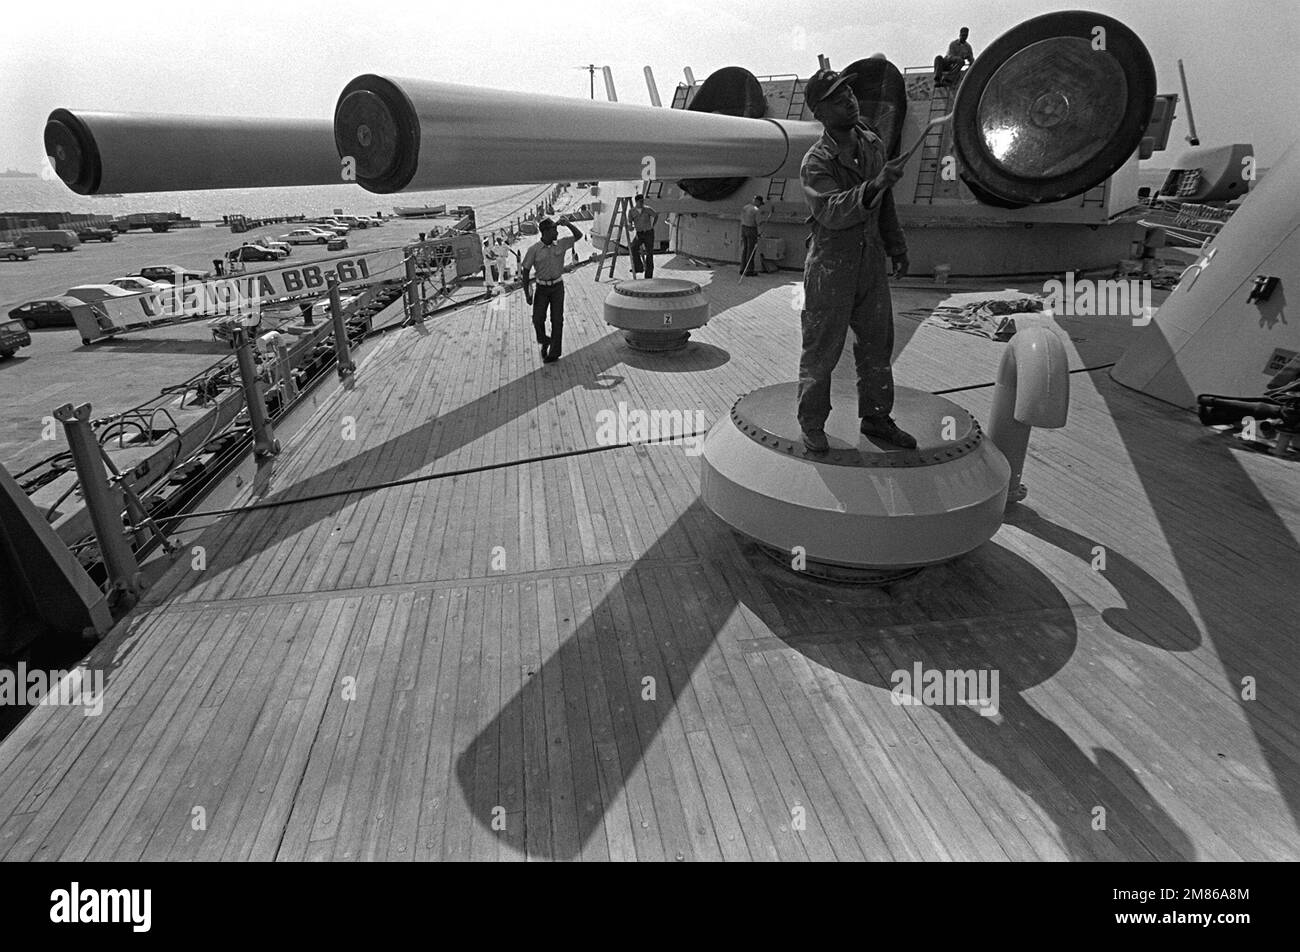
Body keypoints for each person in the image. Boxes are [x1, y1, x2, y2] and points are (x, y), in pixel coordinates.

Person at [797, 67, 915, 452]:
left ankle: (877, 418)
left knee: (878, 345)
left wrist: (896, 246)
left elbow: (884, 204)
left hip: (870, 262)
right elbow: (831, 211)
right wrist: (876, 184)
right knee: (822, 349)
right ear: (819, 112)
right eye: (835, 97)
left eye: (847, 90)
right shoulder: (815, 162)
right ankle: (812, 422)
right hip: (831, 268)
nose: (848, 98)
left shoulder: (872, 143)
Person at [521, 216, 582, 363]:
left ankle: (554, 353)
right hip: (541, 288)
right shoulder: (534, 250)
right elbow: (525, 271)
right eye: (554, 229)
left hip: (557, 288)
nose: (557, 232)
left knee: (557, 320)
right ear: (545, 232)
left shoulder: (561, 244)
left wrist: (567, 224)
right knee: (537, 319)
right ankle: (544, 340)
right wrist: (527, 293)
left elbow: (578, 236)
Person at [627, 194, 659, 278]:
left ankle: (648, 275)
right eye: (640, 201)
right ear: (636, 201)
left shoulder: (647, 209)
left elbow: (656, 215)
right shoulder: (632, 211)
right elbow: (630, 221)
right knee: (633, 247)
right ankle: (639, 267)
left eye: (643, 201)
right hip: (639, 234)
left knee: (649, 253)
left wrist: (653, 225)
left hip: (649, 233)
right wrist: (630, 226)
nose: (642, 203)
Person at [739, 195, 770, 275]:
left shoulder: (745, 207)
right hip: (751, 229)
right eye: (760, 203)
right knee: (751, 250)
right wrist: (764, 220)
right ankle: (749, 270)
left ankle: (742, 268)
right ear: (758, 201)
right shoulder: (756, 210)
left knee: (745, 249)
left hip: (743, 228)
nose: (760, 205)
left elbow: (741, 217)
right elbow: (758, 222)